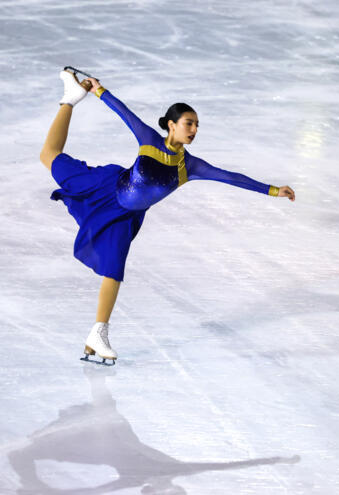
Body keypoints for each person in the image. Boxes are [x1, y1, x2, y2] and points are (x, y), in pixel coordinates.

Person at [40, 69, 296, 364]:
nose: (194, 130)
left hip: (126, 217)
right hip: (105, 188)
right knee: (49, 155)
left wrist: (272, 190)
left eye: (197, 125)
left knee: (113, 269)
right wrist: (98, 91)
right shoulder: (149, 140)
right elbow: (124, 112)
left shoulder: (191, 166)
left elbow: (230, 177)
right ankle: (69, 99)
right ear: (171, 125)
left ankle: (98, 332)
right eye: (189, 123)